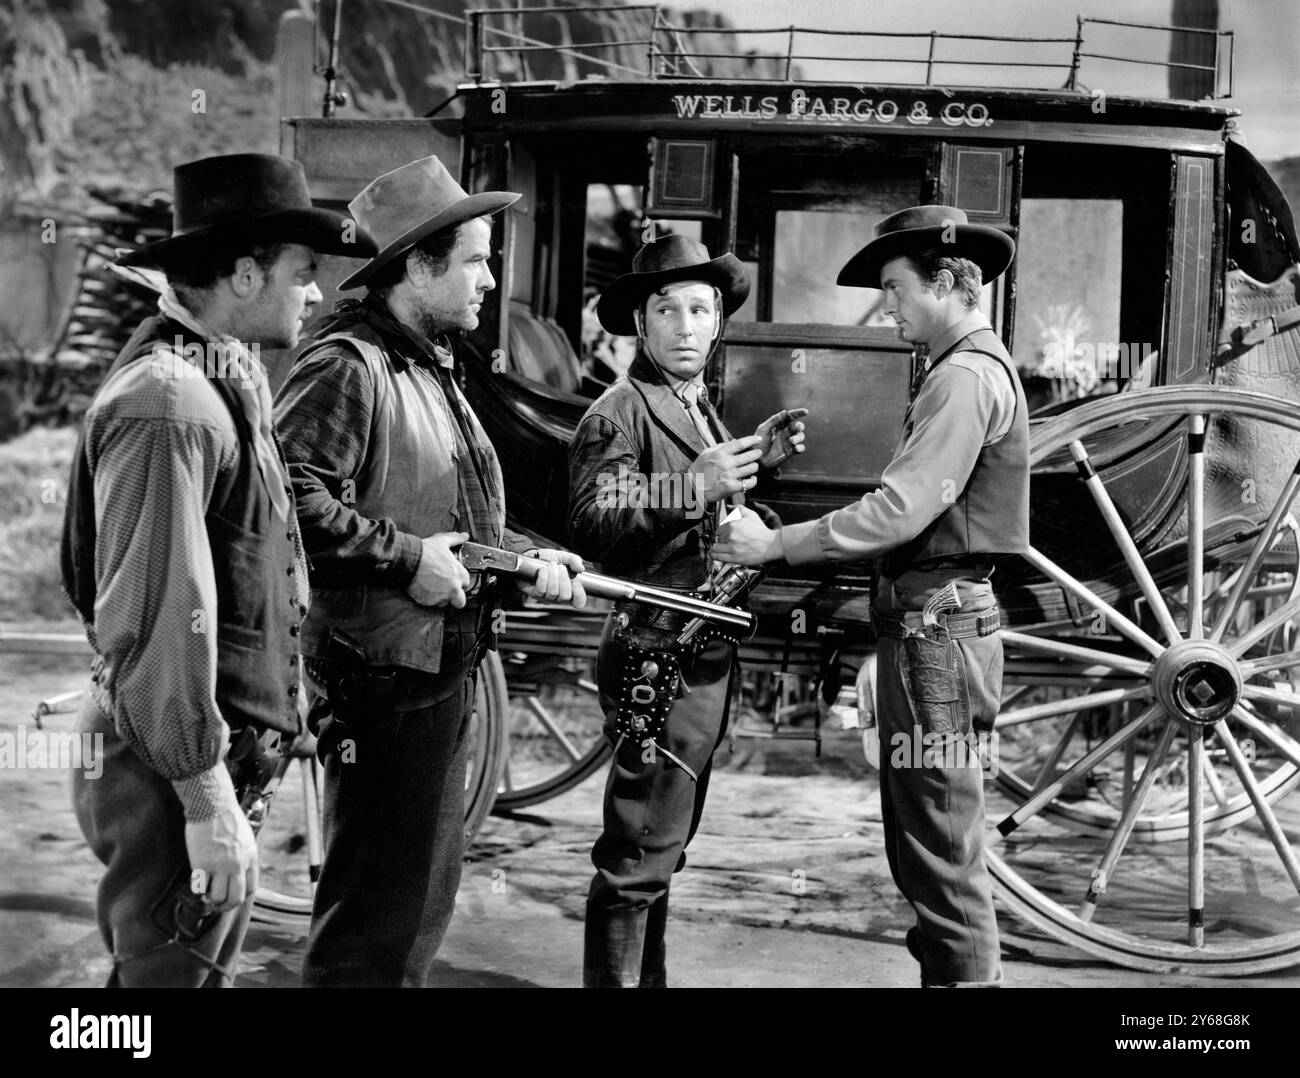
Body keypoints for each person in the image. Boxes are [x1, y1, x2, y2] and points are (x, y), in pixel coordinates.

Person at [61, 153, 377, 987]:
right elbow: (162, 610)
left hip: (204, 754)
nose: (316, 294)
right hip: (169, 764)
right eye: (303, 274)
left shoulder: (222, 372)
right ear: (244, 274)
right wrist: (205, 800)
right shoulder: (168, 403)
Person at [273, 154, 586, 988]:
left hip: (434, 666)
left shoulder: (428, 363)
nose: (490, 280)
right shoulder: (348, 364)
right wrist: (408, 560)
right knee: (372, 923)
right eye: (476, 260)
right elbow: (287, 502)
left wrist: (526, 557)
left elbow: (458, 514)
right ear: (418, 266)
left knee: (416, 908)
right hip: (382, 676)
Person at [714, 205, 1026, 988]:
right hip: (926, 633)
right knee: (929, 850)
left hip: (937, 643)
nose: (889, 309)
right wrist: (881, 644)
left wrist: (773, 543)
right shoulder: (966, 370)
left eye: (896, 289)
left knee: (943, 859)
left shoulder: (961, 379)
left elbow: (899, 511)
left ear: (952, 283)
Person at [569, 233, 806, 987]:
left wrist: (750, 471)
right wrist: (695, 487)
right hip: (653, 655)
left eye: (699, 308)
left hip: (697, 656)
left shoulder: (697, 406)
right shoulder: (619, 411)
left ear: (718, 323)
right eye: (665, 309)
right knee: (636, 853)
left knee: (662, 848)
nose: (683, 325)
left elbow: (709, 509)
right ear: (640, 324)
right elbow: (598, 521)